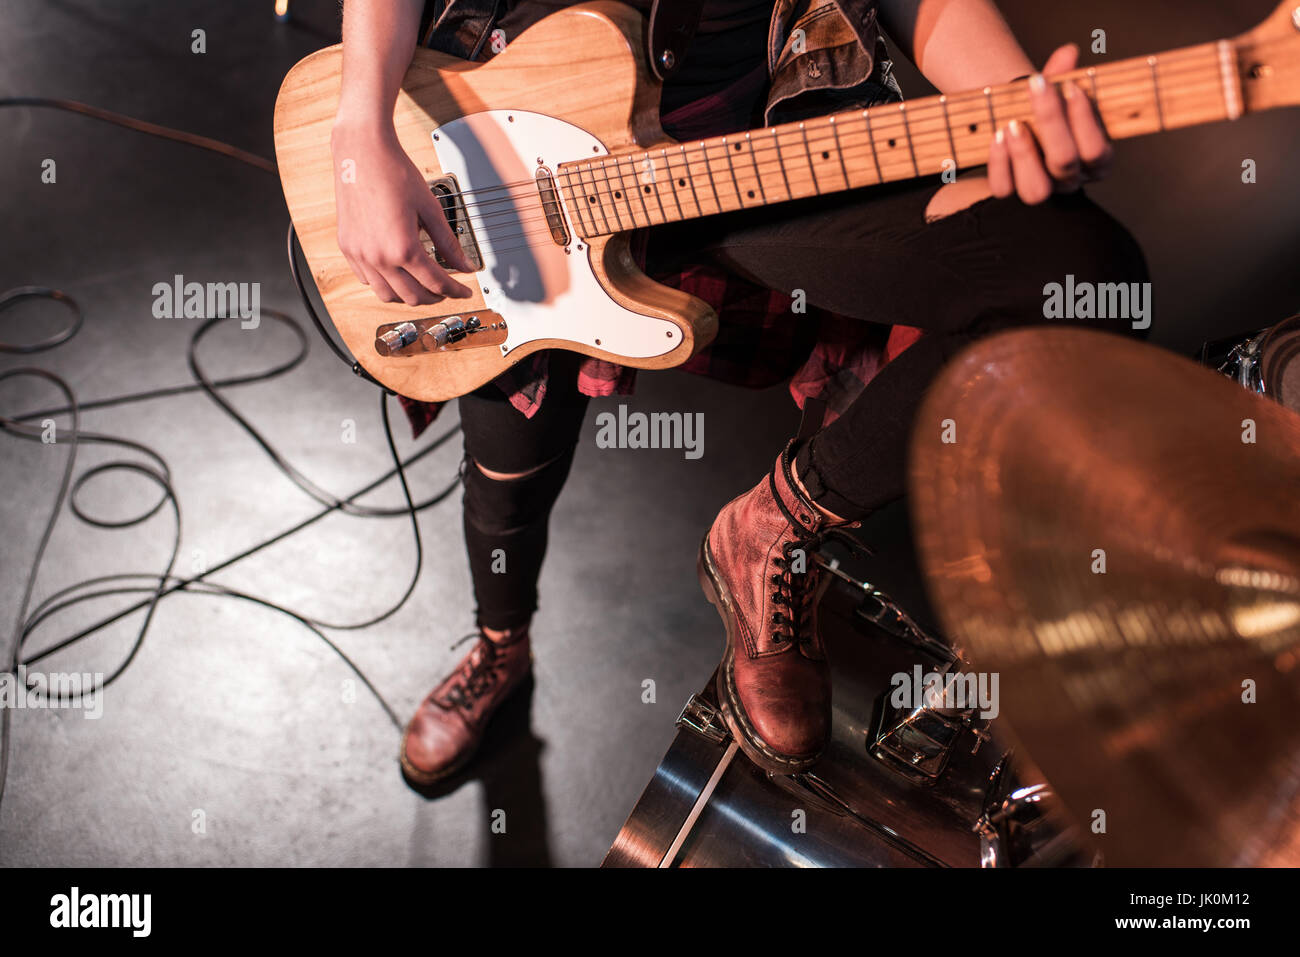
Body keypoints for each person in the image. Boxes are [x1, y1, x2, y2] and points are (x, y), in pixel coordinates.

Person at [329, 0, 1147, 780]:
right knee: (509, 477)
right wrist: (361, 129)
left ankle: (773, 528)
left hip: (753, 155)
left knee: (1080, 273)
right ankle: (500, 646)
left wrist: (1011, 99)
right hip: (508, 147)